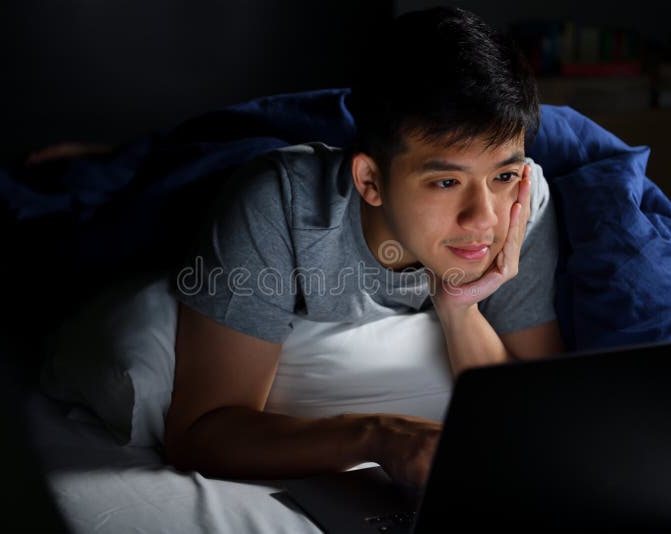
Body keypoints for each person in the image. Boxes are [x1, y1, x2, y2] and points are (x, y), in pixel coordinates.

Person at [164, 6, 565, 489]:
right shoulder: (280, 208)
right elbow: (198, 433)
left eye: (502, 174)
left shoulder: (521, 199)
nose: (483, 218)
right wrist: (380, 436)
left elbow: (536, 413)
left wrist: (461, 308)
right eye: (445, 181)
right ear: (370, 180)